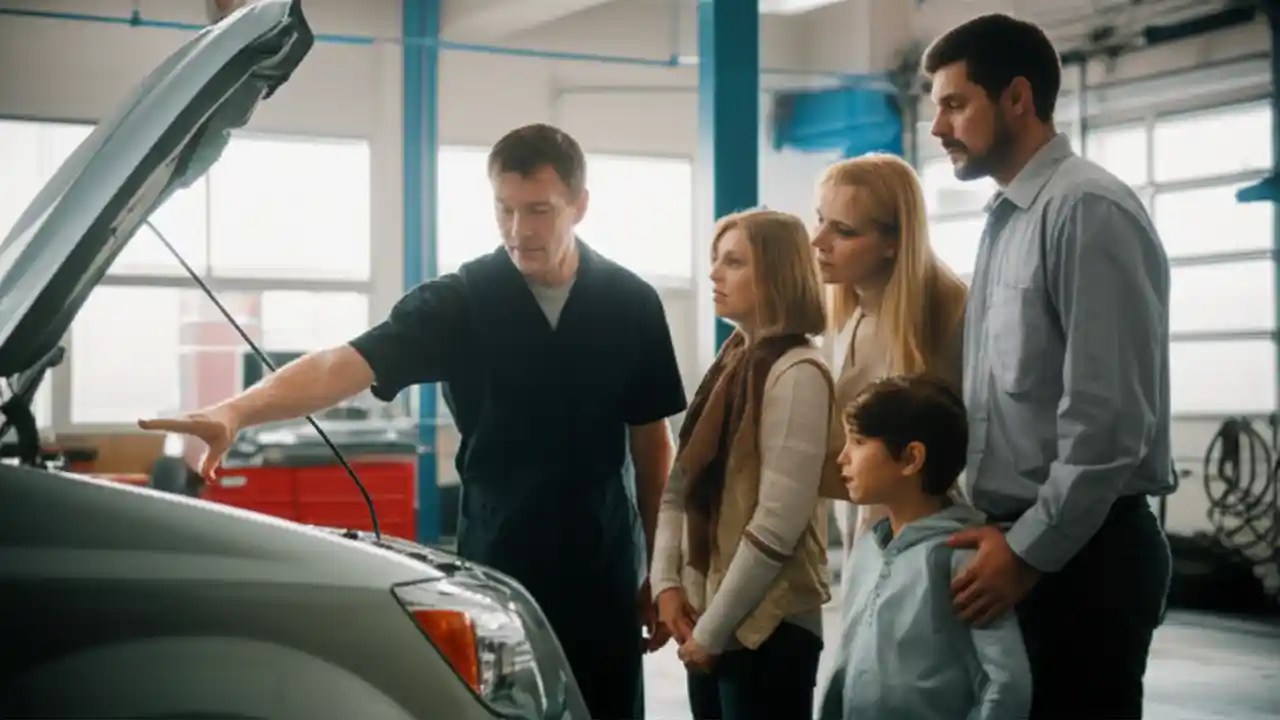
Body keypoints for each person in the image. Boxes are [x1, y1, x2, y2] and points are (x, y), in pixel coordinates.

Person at [138, 123, 688, 720]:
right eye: (503, 210)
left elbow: (651, 443)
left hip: (602, 564)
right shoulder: (463, 300)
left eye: (539, 211)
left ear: (580, 205)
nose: (518, 231)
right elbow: (339, 364)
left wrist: (662, 571)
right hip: (501, 566)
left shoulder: (631, 304)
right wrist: (237, 411)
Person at [922, 13, 1174, 719]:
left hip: (1081, 557)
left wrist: (1028, 553)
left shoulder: (1087, 209)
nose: (938, 128)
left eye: (954, 103)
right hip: (1022, 543)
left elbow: (1109, 418)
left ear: (1017, 99)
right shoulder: (1008, 219)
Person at [649, 208, 841, 720]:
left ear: (777, 273)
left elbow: (779, 523)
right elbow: (680, 484)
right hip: (707, 616)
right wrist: (667, 584)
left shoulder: (797, 372)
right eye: (716, 259)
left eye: (732, 261)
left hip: (768, 628)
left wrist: (714, 631)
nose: (714, 273)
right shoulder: (734, 357)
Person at [818, 374, 1031, 720]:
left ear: (911, 458)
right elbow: (845, 661)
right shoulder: (868, 550)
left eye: (857, 442)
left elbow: (1006, 683)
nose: (842, 457)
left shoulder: (961, 558)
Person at [810, 153, 969, 563]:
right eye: (819, 219)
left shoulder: (949, 320)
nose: (818, 242)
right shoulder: (848, 315)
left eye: (842, 231)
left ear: (893, 242)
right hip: (866, 532)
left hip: (923, 542)